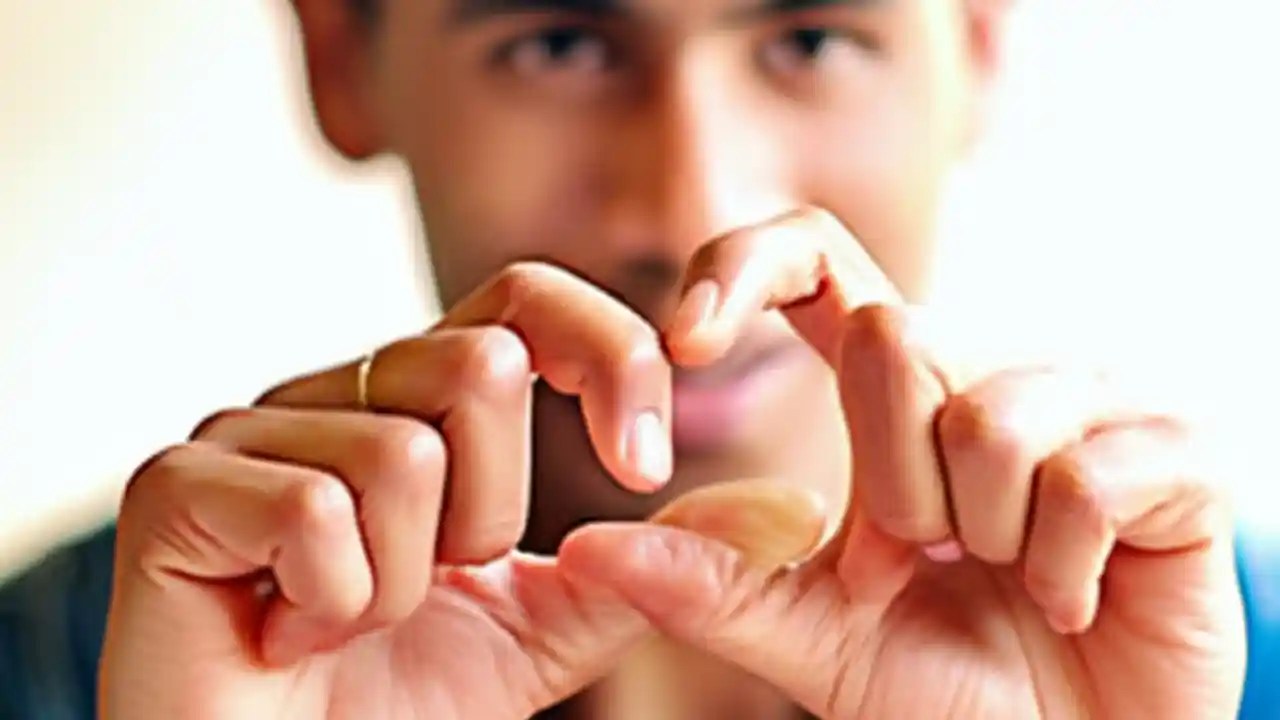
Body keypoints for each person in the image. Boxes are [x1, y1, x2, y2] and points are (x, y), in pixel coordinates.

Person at [2, 0, 1278, 717]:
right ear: (341, 57)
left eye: (813, 39)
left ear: (980, 46)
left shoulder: (1203, 660)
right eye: (557, 43)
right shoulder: (97, 671)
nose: (687, 218)